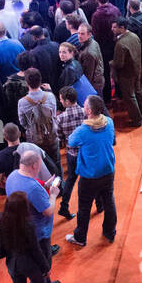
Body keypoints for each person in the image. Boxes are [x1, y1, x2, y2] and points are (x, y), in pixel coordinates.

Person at [65, 96, 117, 248]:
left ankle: (80, 237)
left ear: (88, 111)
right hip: (108, 170)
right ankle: (110, 231)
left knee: (84, 207)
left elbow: (71, 141)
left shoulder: (83, 130)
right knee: (109, 200)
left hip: (89, 176)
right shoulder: (109, 122)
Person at [5, 147, 61, 276]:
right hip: (39, 232)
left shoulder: (13, 175)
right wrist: (53, 195)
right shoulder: (33, 187)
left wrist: (44, 186)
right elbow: (47, 211)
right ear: (35, 165)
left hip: (22, 229)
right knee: (43, 264)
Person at [17, 68, 59, 166]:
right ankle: (60, 181)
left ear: (27, 83)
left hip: (34, 139)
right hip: (52, 135)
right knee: (56, 163)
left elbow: (23, 123)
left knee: (39, 166)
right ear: (40, 80)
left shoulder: (22, 102)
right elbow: (53, 115)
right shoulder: (50, 96)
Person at [111, 18, 142, 128]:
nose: (112, 29)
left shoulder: (120, 44)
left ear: (122, 28)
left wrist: (111, 63)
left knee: (130, 97)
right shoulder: (134, 36)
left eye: (114, 27)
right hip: (137, 69)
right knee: (138, 92)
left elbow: (118, 63)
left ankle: (137, 120)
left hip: (126, 74)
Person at [55, 86, 84, 220]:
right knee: (91, 178)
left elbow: (60, 137)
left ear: (67, 101)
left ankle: (64, 206)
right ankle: (99, 204)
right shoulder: (85, 112)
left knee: (71, 179)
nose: (59, 101)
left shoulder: (60, 119)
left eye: (61, 99)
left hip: (72, 155)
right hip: (86, 153)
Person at [76, 20, 105, 96]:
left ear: (89, 35)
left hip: (93, 85)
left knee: (96, 106)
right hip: (98, 81)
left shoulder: (88, 53)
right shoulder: (93, 42)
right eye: (78, 33)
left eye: (82, 34)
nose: (79, 36)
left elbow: (88, 75)